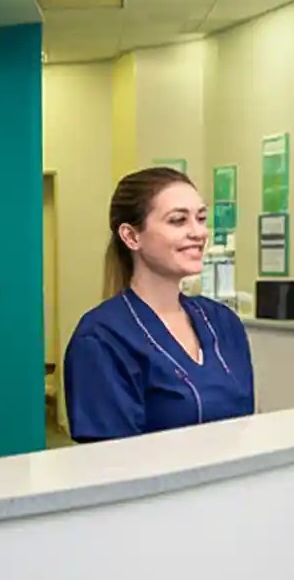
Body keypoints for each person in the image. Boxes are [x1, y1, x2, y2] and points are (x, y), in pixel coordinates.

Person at [62, 167, 255, 442]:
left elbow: (246, 429)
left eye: (201, 218)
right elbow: (109, 464)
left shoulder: (223, 323)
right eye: (178, 220)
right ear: (131, 236)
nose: (198, 232)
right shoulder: (102, 338)